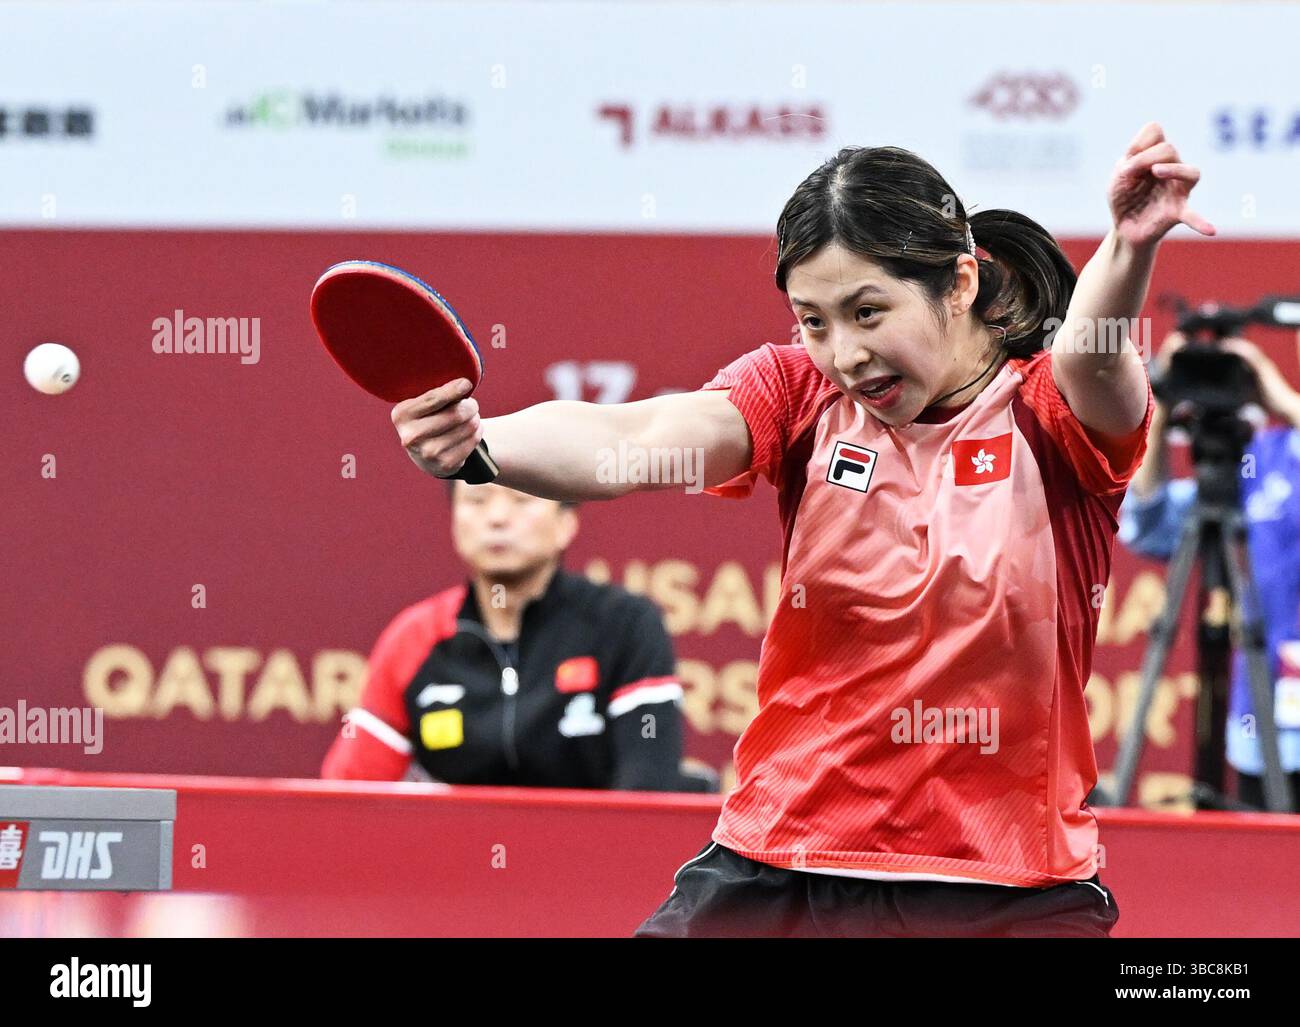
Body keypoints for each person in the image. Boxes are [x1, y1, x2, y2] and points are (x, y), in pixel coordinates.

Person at [390, 122, 1212, 937]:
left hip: (1004, 885)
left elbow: (1094, 357)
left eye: (867, 311)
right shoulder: (797, 397)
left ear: (960, 282)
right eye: (814, 321)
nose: (845, 353)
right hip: (784, 862)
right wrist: (480, 446)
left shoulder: (1051, 414)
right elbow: (629, 442)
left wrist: (1129, 246)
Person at [321, 480, 699, 791]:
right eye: (476, 499)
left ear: (567, 523)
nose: (498, 518)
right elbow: (346, 798)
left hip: (593, 867)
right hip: (454, 869)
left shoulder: (624, 625)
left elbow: (649, 789)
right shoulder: (415, 637)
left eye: (521, 499)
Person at [1119, 329, 1300, 810]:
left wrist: (1277, 393)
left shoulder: (1290, 451)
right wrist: (1158, 409)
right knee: (1269, 877)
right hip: (1268, 726)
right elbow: (1149, 524)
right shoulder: (1255, 462)